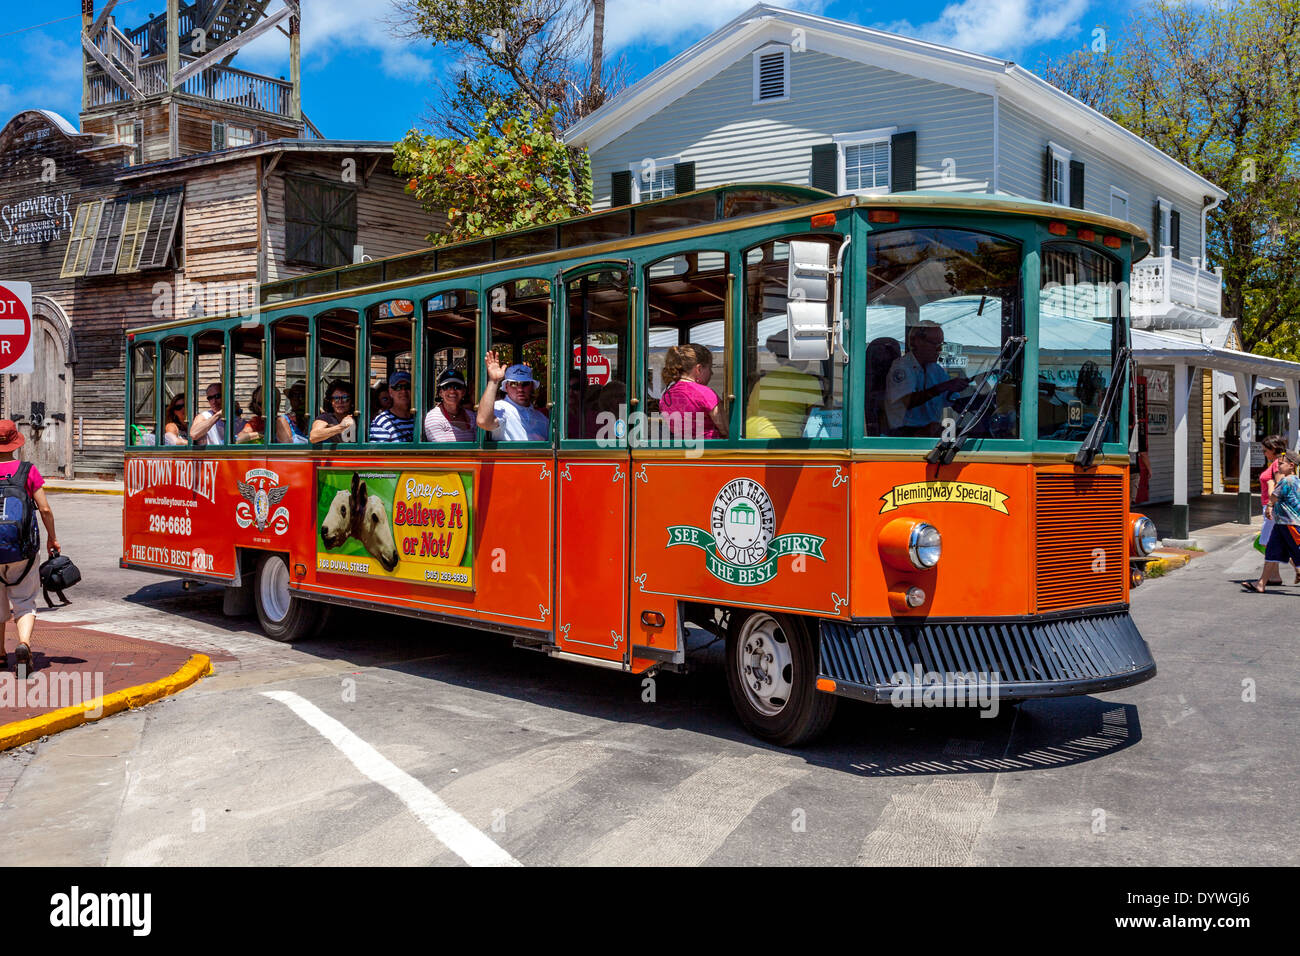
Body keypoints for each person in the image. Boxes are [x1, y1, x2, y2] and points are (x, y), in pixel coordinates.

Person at [0, 420, 59, 673]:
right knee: (24, 600)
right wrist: (51, 538)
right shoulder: (27, 470)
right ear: (15, 443)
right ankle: (23, 644)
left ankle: (0, 654)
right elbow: (44, 508)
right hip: (22, 550)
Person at [884, 321, 969, 437]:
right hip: (903, 434)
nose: (939, 349)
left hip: (931, 431)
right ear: (918, 342)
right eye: (935, 344)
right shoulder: (901, 368)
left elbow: (952, 399)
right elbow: (907, 402)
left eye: (941, 344)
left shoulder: (935, 369)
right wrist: (942, 387)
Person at [745, 332, 824, 438]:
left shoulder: (762, 381)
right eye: (807, 354)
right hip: (785, 441)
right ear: (798, 355)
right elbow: (814, 421)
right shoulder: (808, 382)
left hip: (751, 438)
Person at [1245, 451, 1300, 593]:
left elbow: (1274, 495)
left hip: (1289, 524)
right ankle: (1261, 583)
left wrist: (1269, 505)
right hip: (1281, 524)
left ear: (1291, 465)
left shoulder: (1287, 481)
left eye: (1282, 464)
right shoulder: (1296, 481)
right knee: (1271, 551)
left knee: (1297, 552)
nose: (1279, 466)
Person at [659, 344, 727, 440]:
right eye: (709, 368)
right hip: (709, 449)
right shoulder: (705, 393)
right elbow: (725, 429)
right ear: (698, 369)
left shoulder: (666, 396)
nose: (711, 373)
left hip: (679, 450)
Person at [477, 351, 549, 441]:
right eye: (514, 384)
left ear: (532, 386)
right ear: (506, 387)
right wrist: (493, 381)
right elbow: (483, 421)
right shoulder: (501, 407)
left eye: (525, 383)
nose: (520, 389)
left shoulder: (541, 418)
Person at [1257, 435, 1297, 585]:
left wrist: (1271, 505)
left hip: (1272, 508)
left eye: (1265, 450)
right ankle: (1274, 576)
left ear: (1273, 449)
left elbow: (1280, 486)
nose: (1264, 453)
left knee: (1269, 542)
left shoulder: (1277, 464)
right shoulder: (1275, 463)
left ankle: (1297, 568)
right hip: (1271, 507)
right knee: (1274, 542)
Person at [424, 367, 476, 441]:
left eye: (457, 386)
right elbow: (442, 450)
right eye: (447, 387)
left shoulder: (472, 416)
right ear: (440, 392)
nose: (452, 391)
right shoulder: (434, 417)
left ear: (463, 392)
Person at [369, 370, 415, 442]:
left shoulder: (418, 419)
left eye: (407, 387)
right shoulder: (381, 422)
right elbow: (377, 452)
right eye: (398, 387)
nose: (403, 391)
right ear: (390, 392)